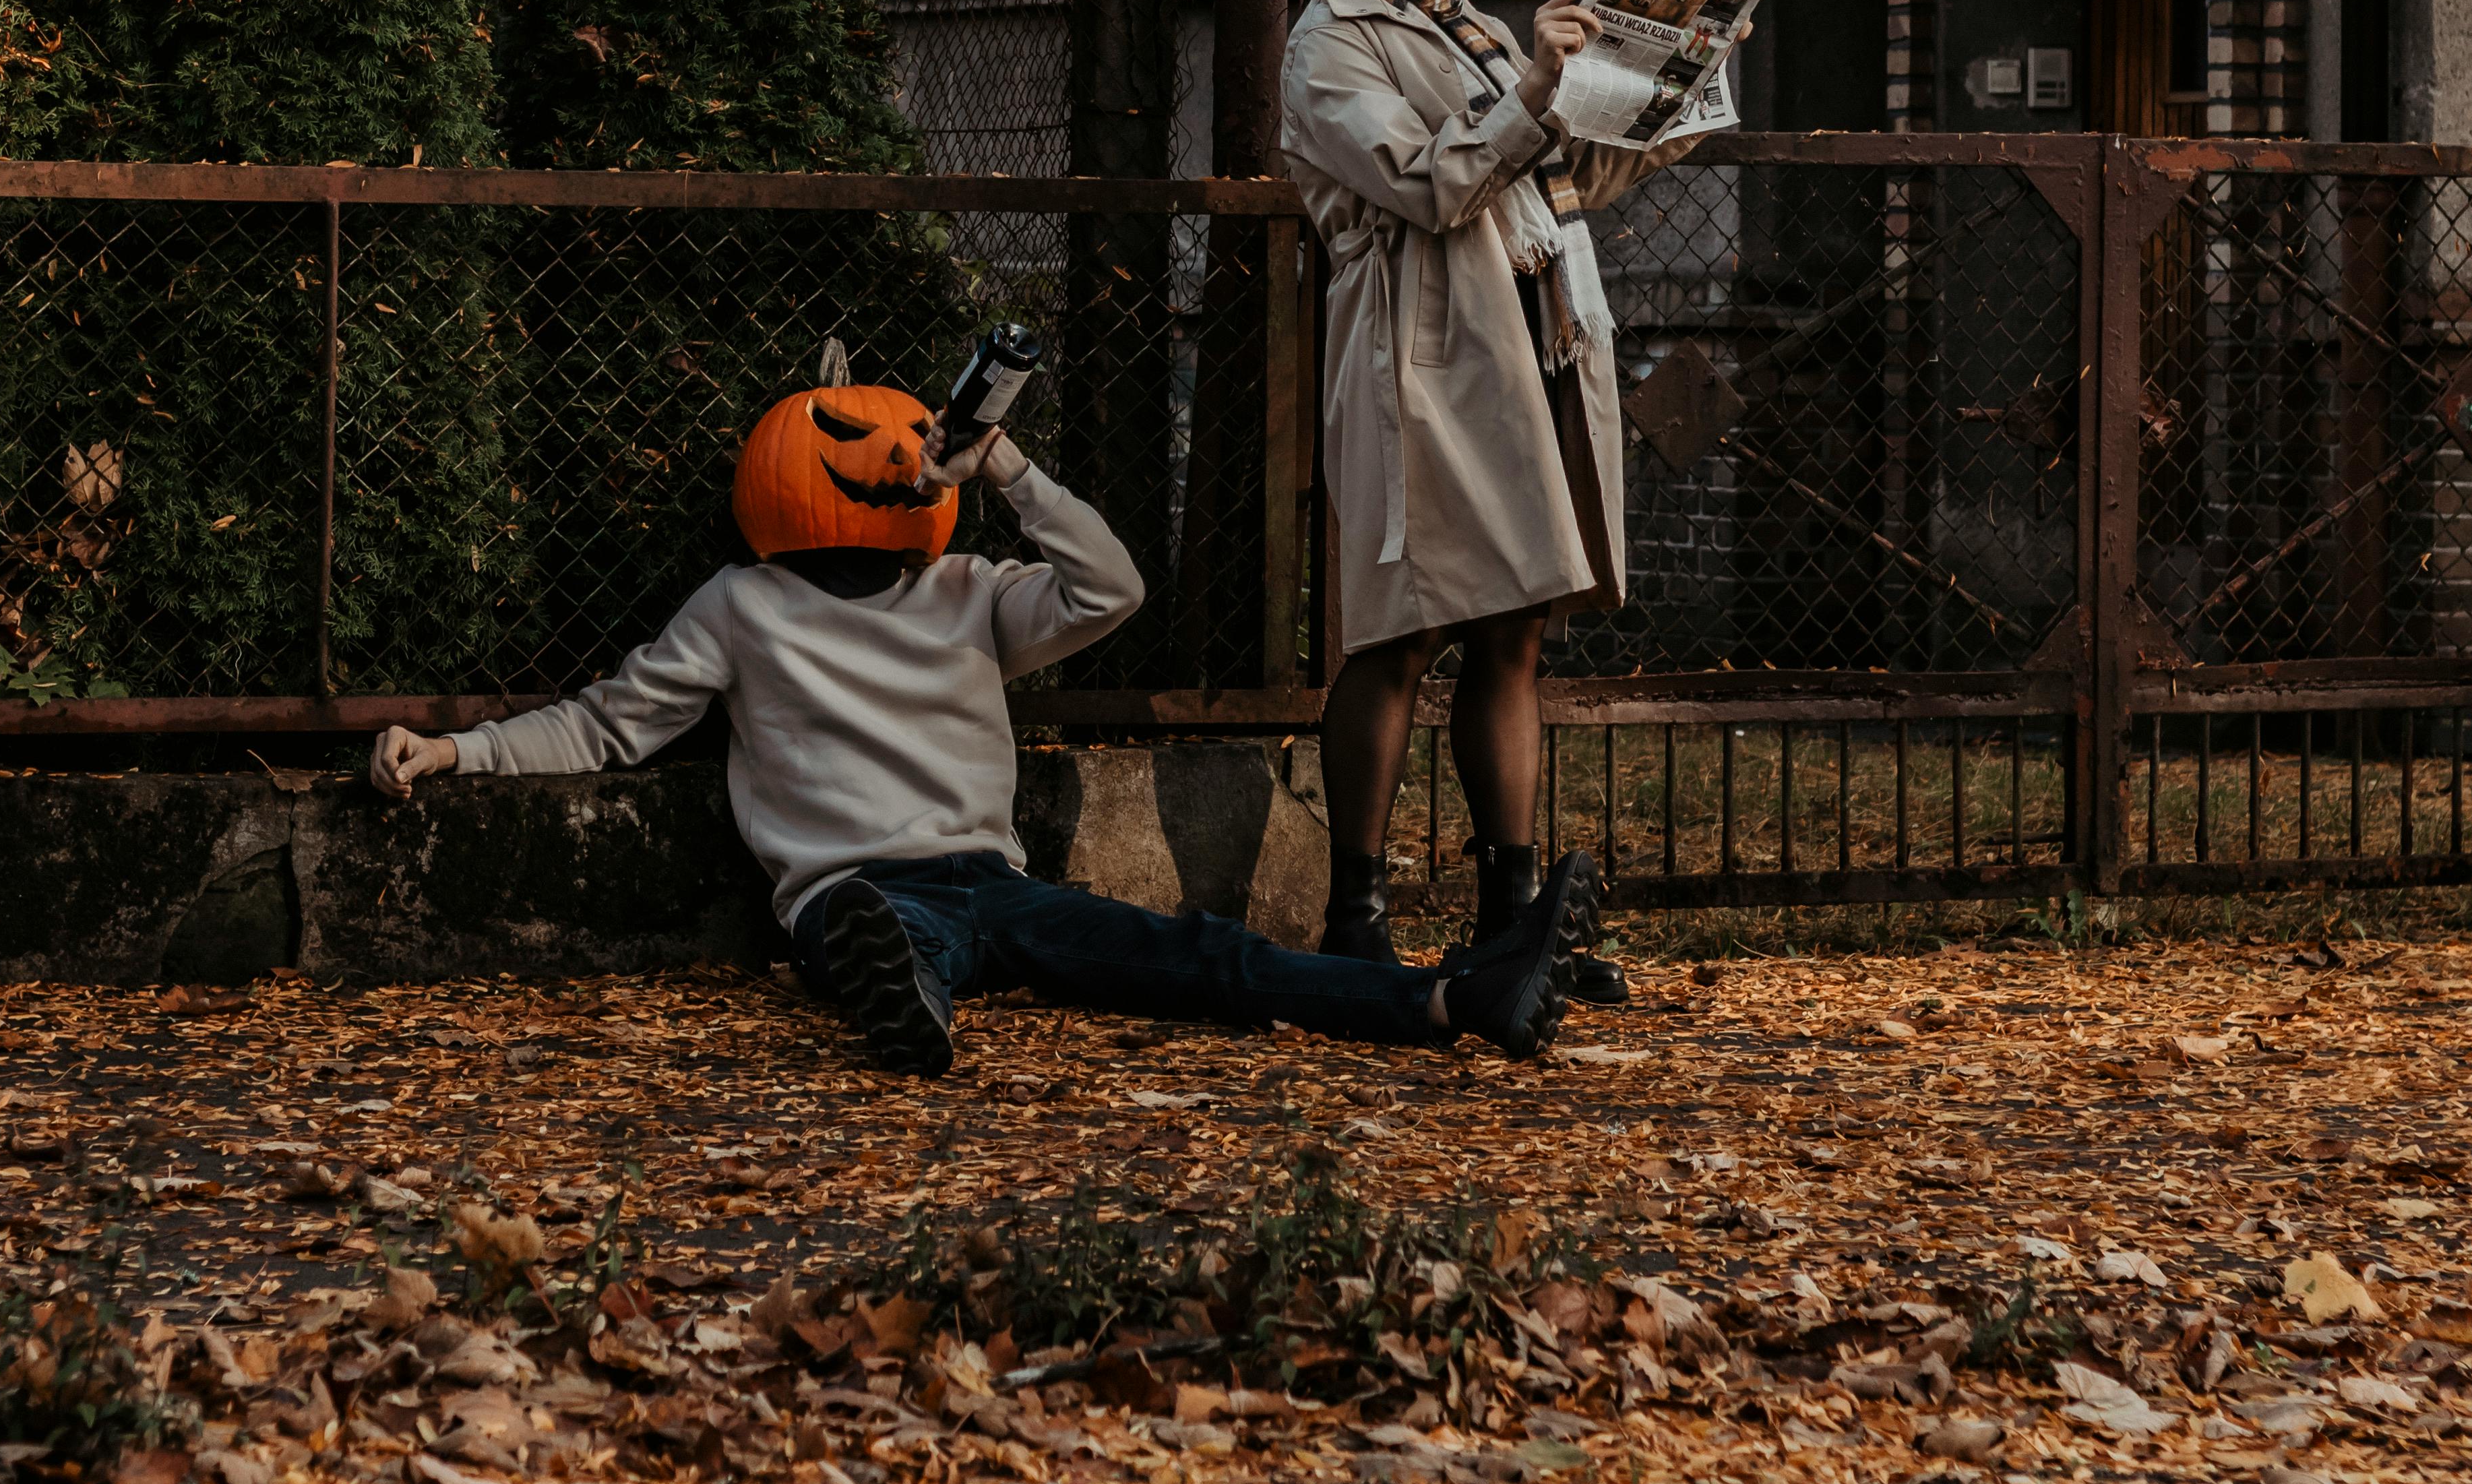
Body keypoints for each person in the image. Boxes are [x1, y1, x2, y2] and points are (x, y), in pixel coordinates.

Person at [369, 373, 1601, 1078]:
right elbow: (607, 726)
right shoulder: (741, 607)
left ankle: (1455, 1000)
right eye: (855, 440)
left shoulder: (971, 597)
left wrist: (1007, 471)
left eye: (917, 438)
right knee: (888, 933)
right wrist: (457, 749)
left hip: (995, 885)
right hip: (856, 878)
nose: (896, 454)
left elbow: (1110, 589)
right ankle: (888, 977)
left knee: (1201, 956)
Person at [1282, 0, 1670, 995]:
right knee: (1398, 633)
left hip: (1530, 339)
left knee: (1515, 631)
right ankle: (1355, 925)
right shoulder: (1324, 46)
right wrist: (1541, 89)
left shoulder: (1470, 27)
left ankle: (1516, 928)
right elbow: (1433, 182)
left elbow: (1548, 180)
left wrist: (1654, 98)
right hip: (1422, 355)